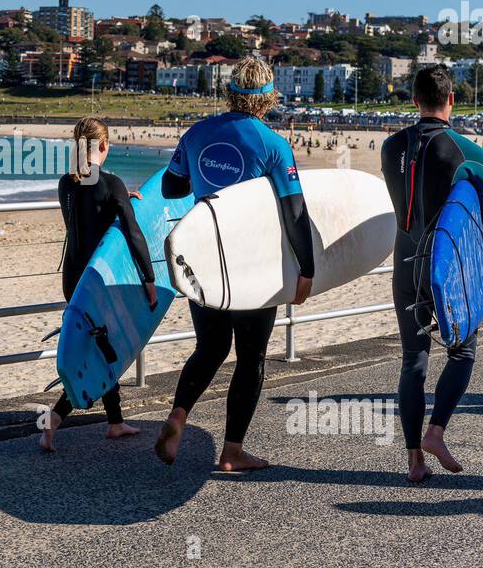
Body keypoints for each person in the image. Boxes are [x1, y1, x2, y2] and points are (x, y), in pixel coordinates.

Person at [155, 58, 315, 471]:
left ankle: (178, 415)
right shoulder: (273, 145)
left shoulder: (197, 133)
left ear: (230, 94)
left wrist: (202, 173)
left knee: (209, 348)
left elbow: (171, 187)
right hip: (253, 265)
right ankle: (231, 451)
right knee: (250, 358)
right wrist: (307, 269)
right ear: (269, 99)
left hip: (205, 258)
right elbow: (295, 212)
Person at [380, 65, 483, 483]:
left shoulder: (389, 147)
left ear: (414, 100)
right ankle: (436, 431)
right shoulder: (467, 152)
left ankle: (414, 460)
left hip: (404, 265)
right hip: (447, 269)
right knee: (463, 351)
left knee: (413, 360)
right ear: (451, 100)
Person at [39, 117, 157, 452]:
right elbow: (133, 234)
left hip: (72, 281)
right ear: (103, 147)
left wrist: (119, 197)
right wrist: (148, 278)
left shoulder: (66, 184)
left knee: (101, 345)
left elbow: (85, 222)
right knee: (104, 350)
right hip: (99, 282)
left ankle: (115, 422)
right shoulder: (112, 184)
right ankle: (55, 418)